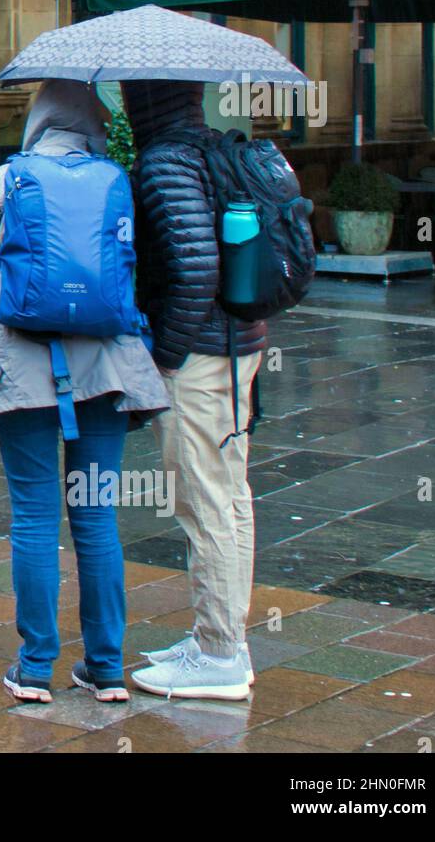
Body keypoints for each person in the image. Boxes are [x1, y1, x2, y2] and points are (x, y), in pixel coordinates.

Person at [0, 81, 169, 705]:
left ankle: (34, 667)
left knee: (34, 516)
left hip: (19, 368)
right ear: (94, 121)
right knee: (97, 518)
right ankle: (105, 669)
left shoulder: (9, 178)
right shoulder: (114, 179)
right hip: (105, 365)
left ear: (40, 120)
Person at [121, 79, 264, 701]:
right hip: (242, 342)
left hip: (201, 356)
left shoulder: (165, 160)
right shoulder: (214, 148)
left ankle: (218, 656)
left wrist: (165, 355)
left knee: (203, 500)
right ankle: (226, 636)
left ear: (144, 99)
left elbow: (196, 265)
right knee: (230, 492)